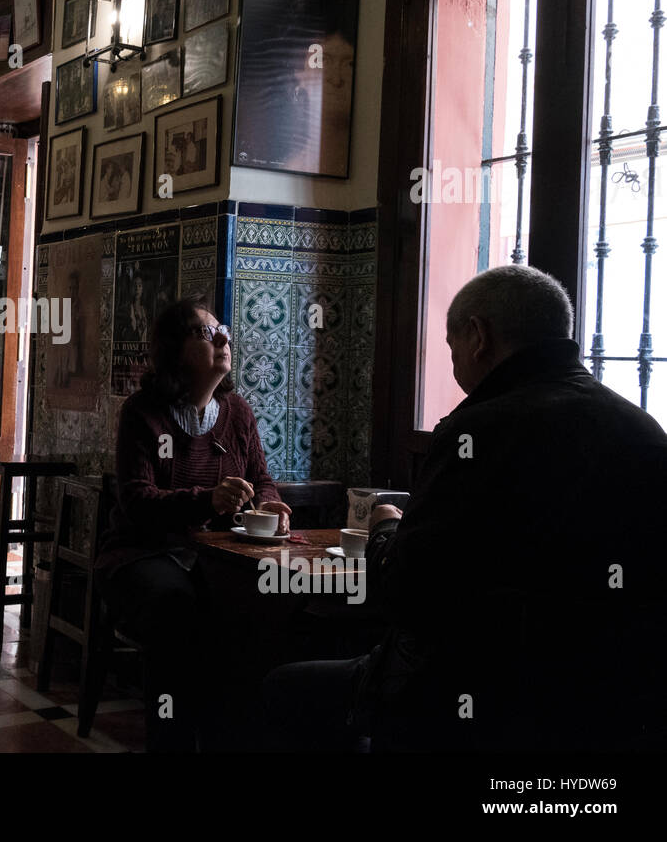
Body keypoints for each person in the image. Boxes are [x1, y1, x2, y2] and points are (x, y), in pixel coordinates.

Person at [263, 265, 667, 751]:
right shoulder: (643, 428)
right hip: (613, 697)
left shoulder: (480, 429)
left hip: (475, 686)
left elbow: (407, 593)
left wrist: (386, 529)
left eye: (452, 349)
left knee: (286, 689)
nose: (454, 367)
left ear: (478, 336)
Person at [97, 296, 292, 752]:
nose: (223, 338)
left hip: (212, 555)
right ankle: (173, 742)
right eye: (206, 333)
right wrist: (208, 499)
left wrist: (271, 504)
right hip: (139, 554)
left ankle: (230, 737)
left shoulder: (238, 413)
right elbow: (138, 500)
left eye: (222, 329)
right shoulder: (143, 413)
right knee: (177, 607)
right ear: (174, 350)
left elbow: (261, 478)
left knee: (256, 609)